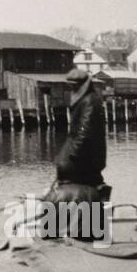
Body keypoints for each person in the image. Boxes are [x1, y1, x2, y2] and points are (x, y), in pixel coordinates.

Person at [45, 66, 109, 205]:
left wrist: (73, 155)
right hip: (80, 156)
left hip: (83, 157)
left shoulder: (90, 101)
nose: (71, 89)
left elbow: (85, 131)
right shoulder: (88, 100)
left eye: (73, 86)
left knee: (83, 181)